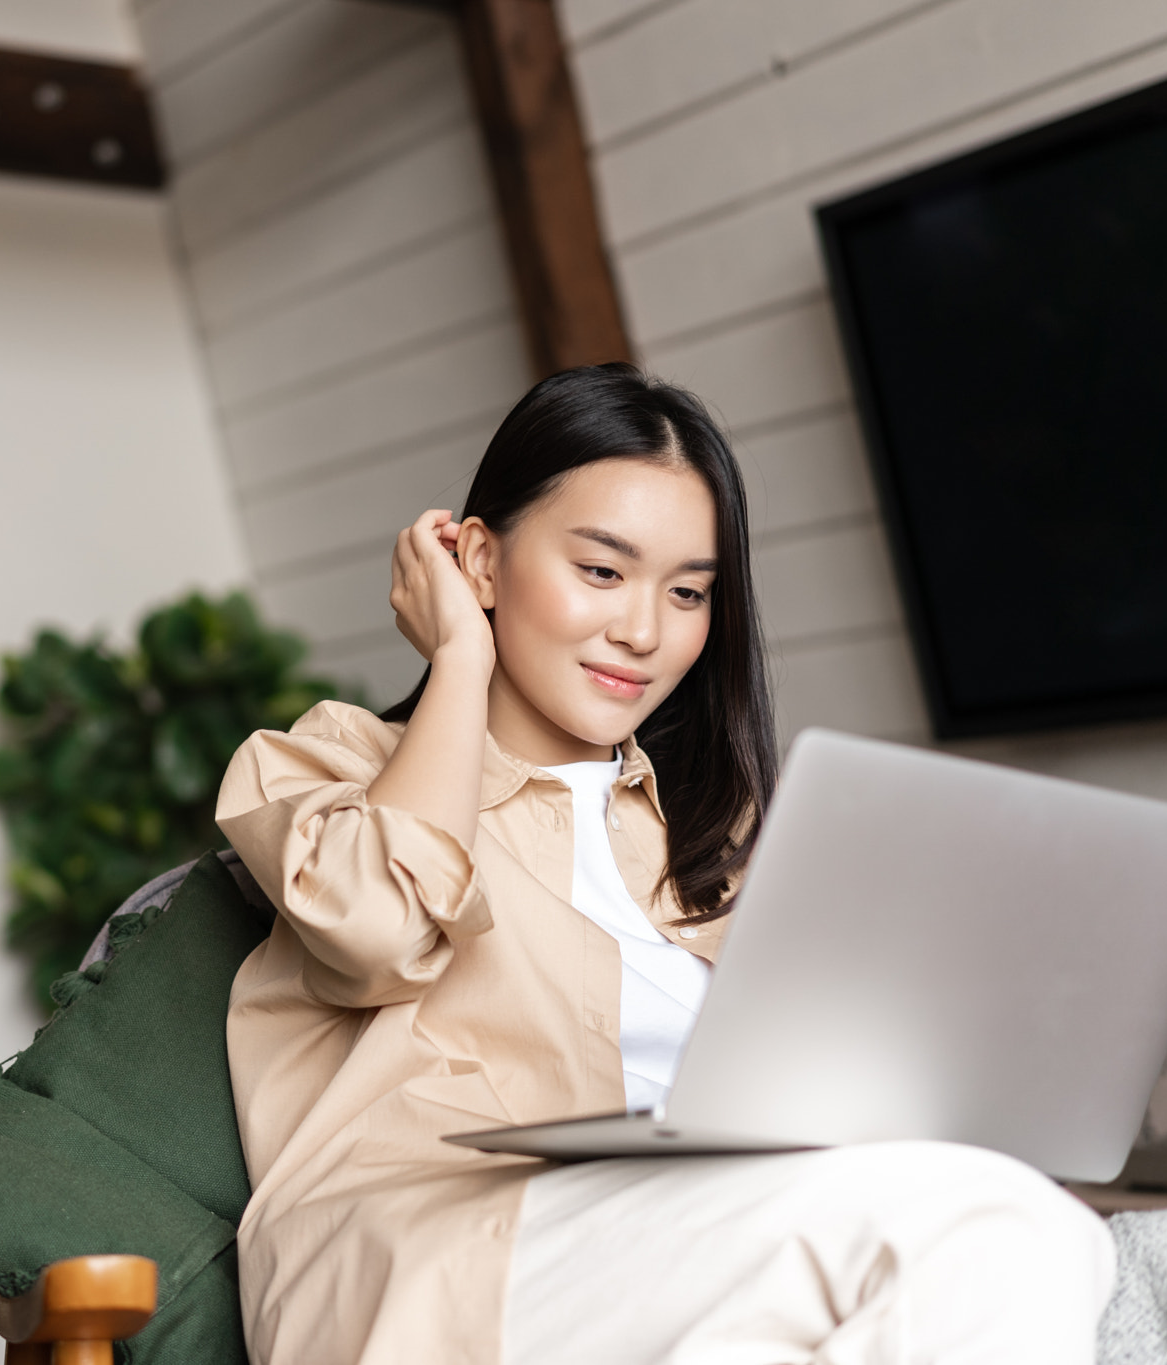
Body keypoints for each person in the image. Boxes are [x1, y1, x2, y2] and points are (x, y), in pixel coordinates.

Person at [213, 364, 1115, 1365]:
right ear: (475, 561)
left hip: (689, 1242)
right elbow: (375, 934)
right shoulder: (327, 763)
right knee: (997, 1229)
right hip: (438, 1259)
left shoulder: (708, 833)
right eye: (600, 572)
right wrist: (459, 660)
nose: (643, 632)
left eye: (686, 592)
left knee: (1035, 1237)